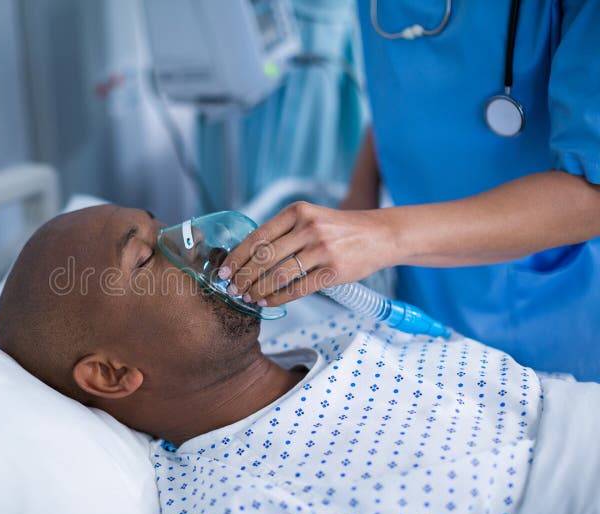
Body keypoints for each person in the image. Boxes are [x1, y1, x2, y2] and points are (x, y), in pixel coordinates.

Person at [0, 205, 599, 514]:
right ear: (109, 375)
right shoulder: (235, 507)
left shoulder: (314, 332)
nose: (196, 240)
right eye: (148, 255)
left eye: (164, 224)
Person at [218, 1, 600, 381]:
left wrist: (383, 234)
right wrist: (358, 200)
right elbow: (410, 97)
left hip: (557, 310)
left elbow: (591, 195)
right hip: (424, 297)